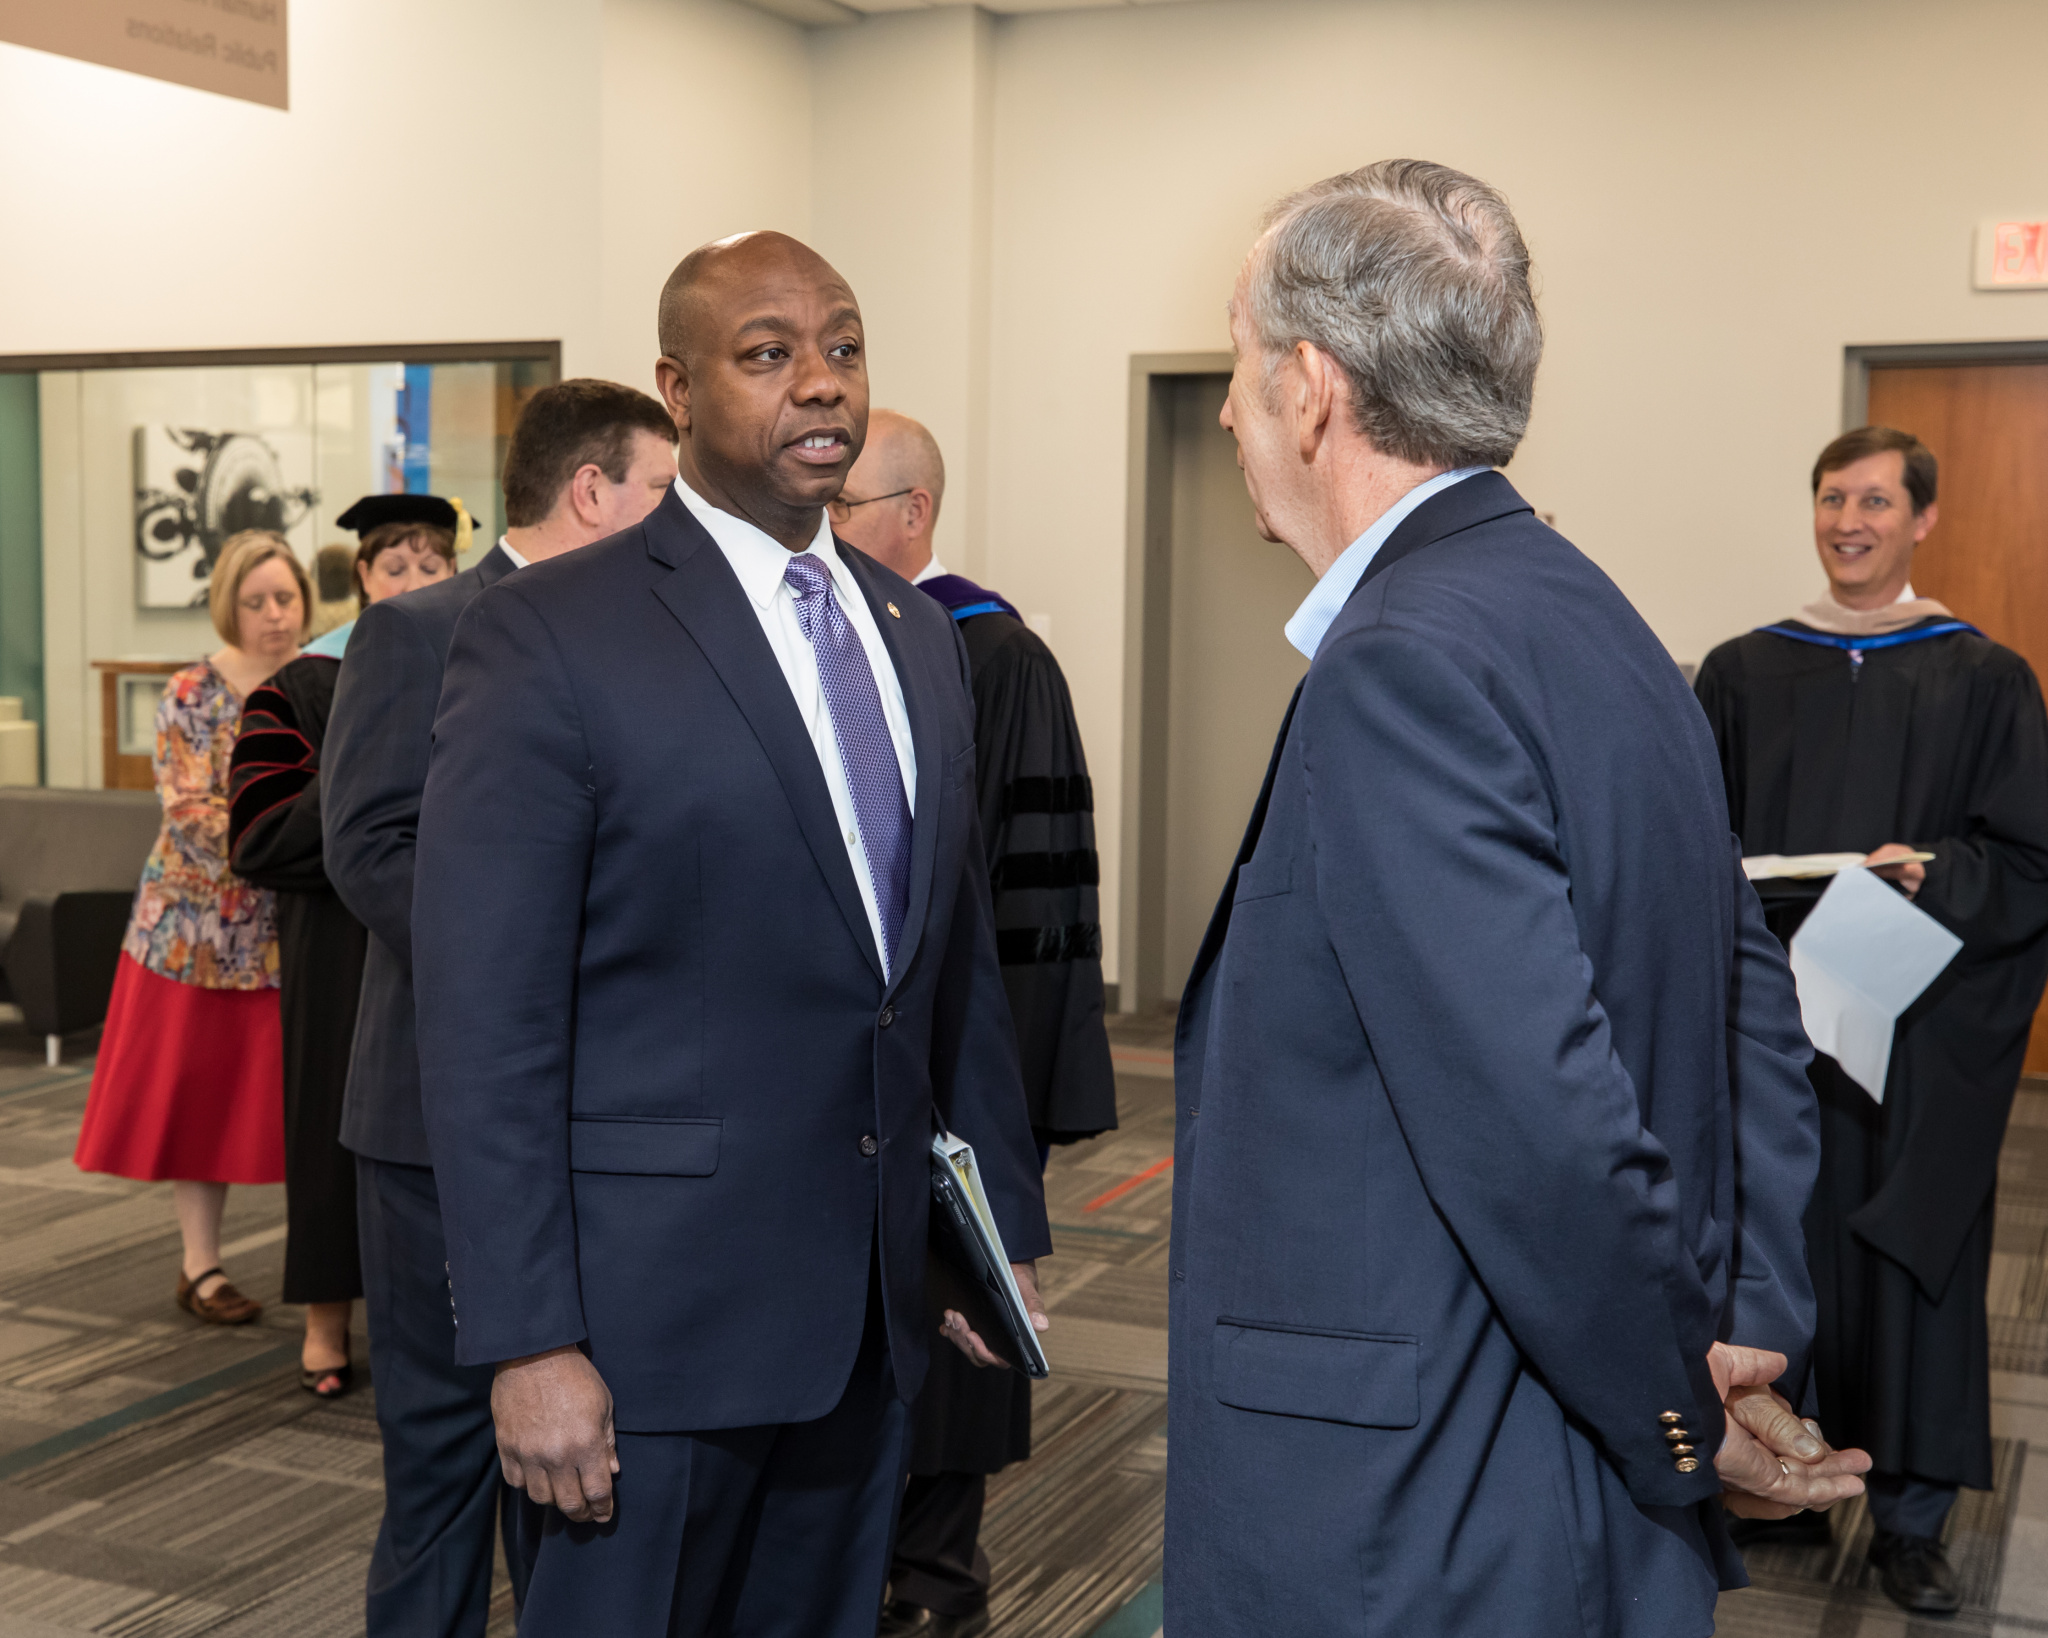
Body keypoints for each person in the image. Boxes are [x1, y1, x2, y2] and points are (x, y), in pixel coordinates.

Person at [1165, 160, 1868, 1638]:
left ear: (1309, 387)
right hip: (1570, 1477)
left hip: (1428, 1511)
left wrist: (1679, 1409)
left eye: (1235, 358)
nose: (1226, 409)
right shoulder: (1593, 610)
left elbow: (1541, 1126)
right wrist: (1744, 1314)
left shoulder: (1399, 665)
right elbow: (1748, 988)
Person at [408, 231, 1051, 1638]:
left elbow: (943, 967)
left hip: (862, 1328)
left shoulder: (914, 632)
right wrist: (528, 1342)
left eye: (844, 347)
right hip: (645, 1348)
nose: (820, 384)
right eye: (768, 355)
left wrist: (981, 1236)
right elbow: (482, 1020)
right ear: (678, 389)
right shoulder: (552, 635)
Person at [322, 382, 678, 1637]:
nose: (675, 524)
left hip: (601, 1130)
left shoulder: (639, 637)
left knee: (580, 1471)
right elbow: (368, 848)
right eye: (660, 494)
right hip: (430, 1131)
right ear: (593, 491)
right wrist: (552, 941)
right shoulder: (417, 632)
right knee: (442, 1472)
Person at [1694, 426, 2048, 1614]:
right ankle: (1784, 1479)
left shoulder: (1984, 679)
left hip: (1913, 1020)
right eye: (1832, 498)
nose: (1850, 520)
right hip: (1773, 1017)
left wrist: (1933, 874)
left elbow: (2026, 861)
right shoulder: (1742, 672)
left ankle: (1908, 1517)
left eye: (1876, 501)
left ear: (1920, 520)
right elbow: (1690, 841)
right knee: (1773, 1235)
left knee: (1909, 1249)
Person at [833, 409, 1116, 1638]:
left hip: (955, 1083)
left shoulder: (992, 656)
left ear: (911, 513)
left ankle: (933, 1592)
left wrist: (1020, 1120)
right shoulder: (819, 642)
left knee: (951, 1356)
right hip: (841, 1089)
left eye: (842, 508)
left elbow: (1031, 916)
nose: (820, 531)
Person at [225, 496, 461, 1399]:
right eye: (391, 567)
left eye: (428, 566)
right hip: (334, 949)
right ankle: (326, 1322)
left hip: (439, 933)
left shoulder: (483, 664)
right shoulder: (300, 688)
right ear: (362, 578)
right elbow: (256, 837)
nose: (409, 581)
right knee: (330, 1130)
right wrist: (362, 776)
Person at [73, 530, 310, 1325]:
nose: (275, 615)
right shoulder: (189, 693)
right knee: (198, 1104)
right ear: (227, 608)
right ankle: (199, 1266)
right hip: (195, 934)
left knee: (293, 1107)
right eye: (256, 602)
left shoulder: (328, 681)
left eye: (286, 597)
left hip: (291, 931)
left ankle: (322, 1275)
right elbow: (193, 809)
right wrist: (296, 836)